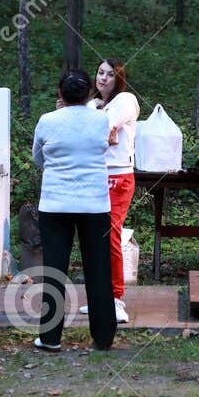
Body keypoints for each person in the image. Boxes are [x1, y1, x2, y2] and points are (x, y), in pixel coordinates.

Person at [30, 70, 116, 352]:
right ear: (89, 92)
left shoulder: (47, 120)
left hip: (56, 203)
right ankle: (103, 337)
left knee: (54, 268)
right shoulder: (101, 120)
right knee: (99, 268)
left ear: (60, 93)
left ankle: (50, 337)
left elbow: (38, 157)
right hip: (94, 204)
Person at [82, 58, 139, 324]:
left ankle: (116, 298)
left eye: (110, 75)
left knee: (109, 234)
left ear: (119, 79)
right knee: (93, 236)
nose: (103, 78)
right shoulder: (94, 104)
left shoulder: (126, 100)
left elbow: (100, 128)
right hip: (95, 174)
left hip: (118, 176)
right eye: (100, 72)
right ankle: (99, 297)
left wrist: (100, 123)